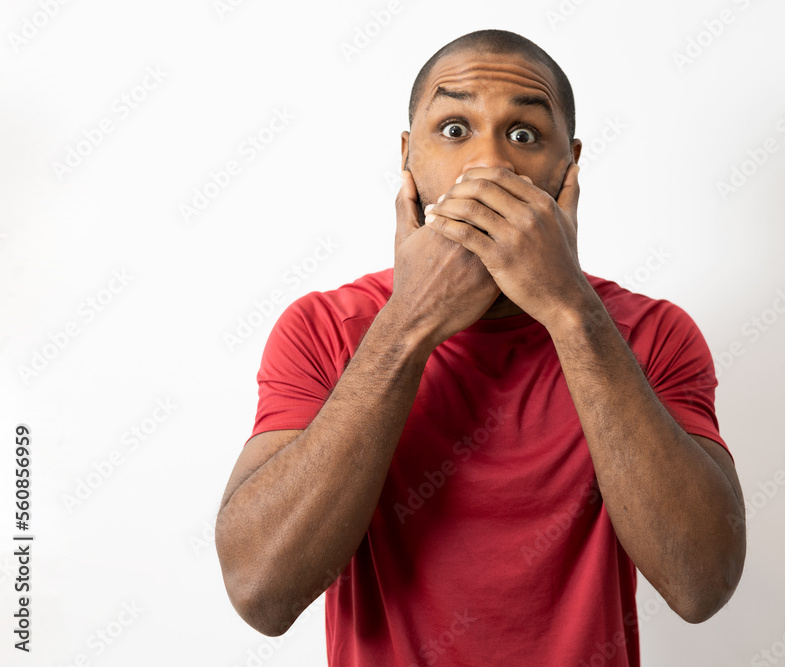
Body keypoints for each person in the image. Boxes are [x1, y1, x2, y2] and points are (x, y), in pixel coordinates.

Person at [215, 28, 746, 666]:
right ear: (408, 157)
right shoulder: (325, 328)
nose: (489, 166)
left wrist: (569, 310)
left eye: (524, 135)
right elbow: (261, 593)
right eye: (455, 128)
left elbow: (701, 585)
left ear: (568, 167)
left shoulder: (652, 334)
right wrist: (407, 323)